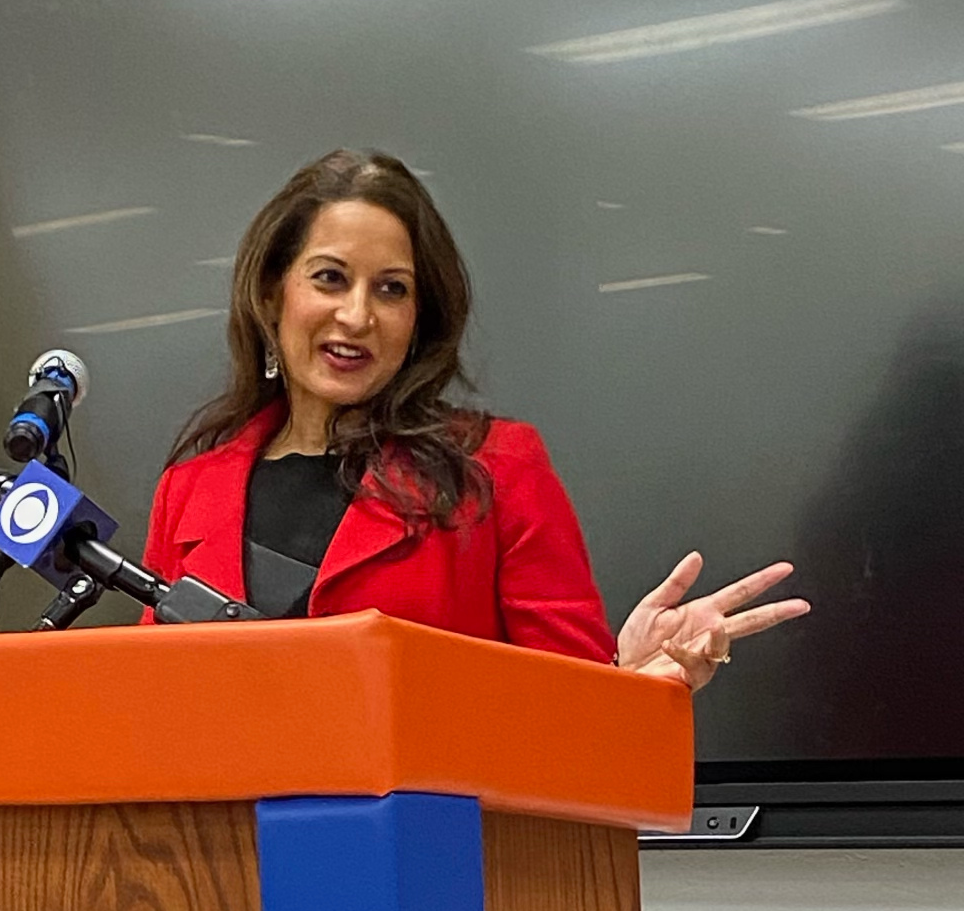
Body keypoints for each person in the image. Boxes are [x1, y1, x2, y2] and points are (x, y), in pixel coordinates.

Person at [143, 150, 809, 687]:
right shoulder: (189, 491)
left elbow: (569, 708)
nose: (357, 316)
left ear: (419, 318)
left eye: (391, 289)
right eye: (329, 278)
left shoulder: (497, 467)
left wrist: (624, 680)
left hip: (434, 849)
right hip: (222, 852)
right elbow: (144, 700)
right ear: (271, 292)